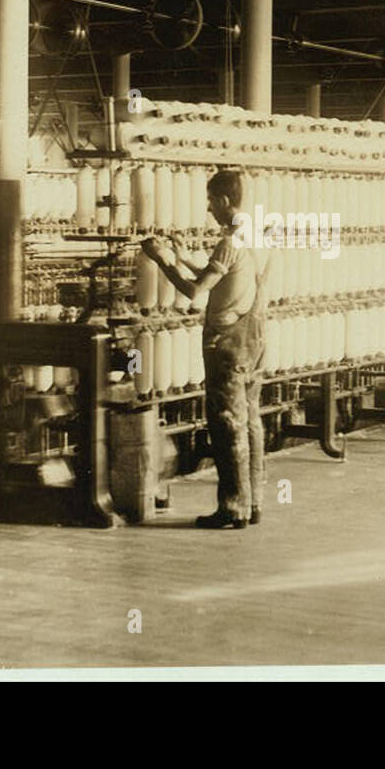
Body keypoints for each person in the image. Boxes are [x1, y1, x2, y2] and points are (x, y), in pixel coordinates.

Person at [142, 170, 272, 529]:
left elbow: (195, 292)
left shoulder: (230, 240)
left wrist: (161, 259)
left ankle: (232, 508)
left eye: (211, 201)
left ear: (225, 201)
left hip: (228, 342)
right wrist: (183, 257)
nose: (209, 208)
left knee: (228, 423)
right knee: (251, 421)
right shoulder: (257, 236)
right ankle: (253, 502)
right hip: (256, 336)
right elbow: (227, 276)